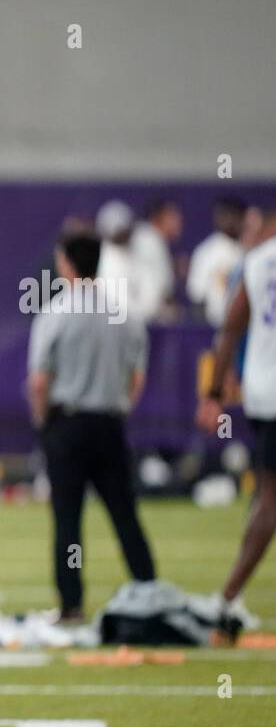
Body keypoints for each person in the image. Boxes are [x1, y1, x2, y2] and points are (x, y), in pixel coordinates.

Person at [27, 232, 157, 621]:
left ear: (66, 262)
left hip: (66, 423)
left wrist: (42, 421)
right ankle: (149, 590)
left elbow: (39, 380)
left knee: (68, 518)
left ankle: (71, 604)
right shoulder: (122, 312)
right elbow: (137, 376)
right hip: (109, 424)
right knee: (124, 513)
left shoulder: (56, 311)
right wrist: (121, 408)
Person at [195, 206, 276, 638]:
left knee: (267, 496)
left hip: (264, 391)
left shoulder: (258, 262)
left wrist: (213, 394)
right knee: (269, 501)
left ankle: (227, 600)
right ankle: (226, 600)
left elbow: (229, 327)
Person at [187, 198, 246, 328]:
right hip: (213, 324)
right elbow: (196, 294)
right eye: (227, 216)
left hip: (239, 325)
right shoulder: (206, 251)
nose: (230, 221)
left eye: (234, 217)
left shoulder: (243, 251)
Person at [129, 197, 183, 322]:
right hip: (143, 317)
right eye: (172, 217)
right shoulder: (149, 240)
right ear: (158, 217)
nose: (178, 222)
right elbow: (157, 291)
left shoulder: (148, 237)